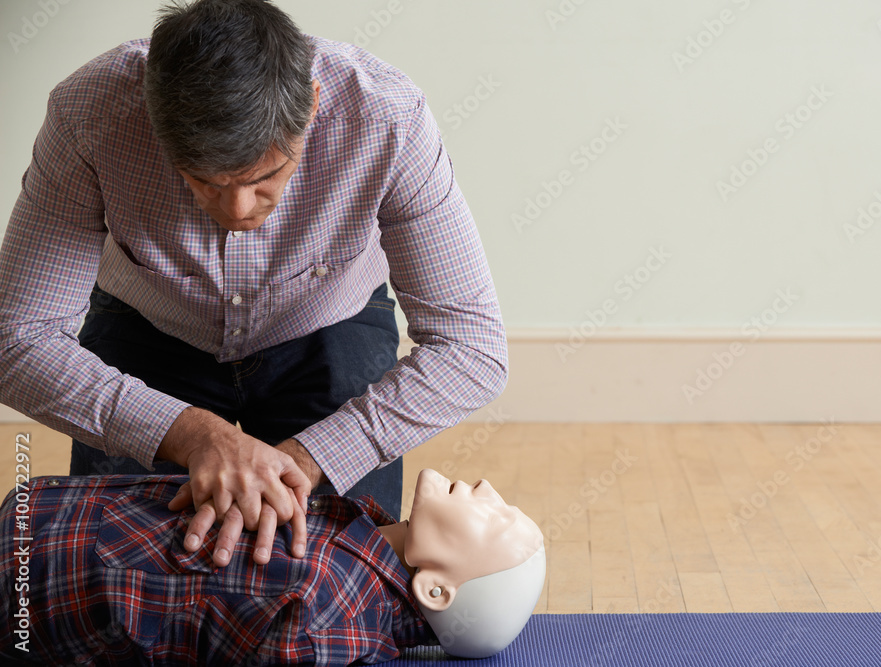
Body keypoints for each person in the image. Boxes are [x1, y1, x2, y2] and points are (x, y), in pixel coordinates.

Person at [0, 0, 507, 568]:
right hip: (147, 325)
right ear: (151, 115)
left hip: (328, 323)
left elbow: (472, 348)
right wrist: (194, 435)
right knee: (108, 569)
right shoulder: (88, 114)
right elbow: (17, 339)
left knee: (347, 569)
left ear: (313, 106)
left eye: (265, 177)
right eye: (204, 181)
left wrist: (302, 461)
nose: (238, 208)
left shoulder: (388, 116)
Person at [0, 469, 545, 665]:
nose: (487, 489)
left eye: (494, 521)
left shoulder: (320, 616)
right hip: (42, 514)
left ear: (435, 591)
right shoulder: (357, 527)